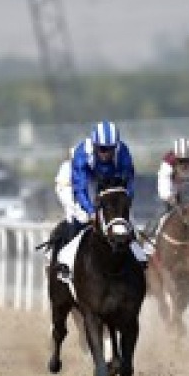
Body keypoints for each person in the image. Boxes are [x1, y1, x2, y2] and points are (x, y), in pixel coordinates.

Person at [50, 120, 146, 282]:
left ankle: (139, 257)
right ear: (95, 146)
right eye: (102, 149)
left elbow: (128, 184)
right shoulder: (83, 154)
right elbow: (80, 188)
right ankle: (65, 264)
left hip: (107, 180)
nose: (106, 153)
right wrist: (91, 211)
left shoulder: (123, 153)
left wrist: (124, 206)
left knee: (123, 220)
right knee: (80, 217)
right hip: (76, 180)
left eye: (110, 149)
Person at [142, 137, 189, 241]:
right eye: (181, 160)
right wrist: (168, 196)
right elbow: (163, 180)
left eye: (187, 160)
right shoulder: (167, 163)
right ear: (176, 157)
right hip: (173, 190)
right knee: (163, 209)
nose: (184, 163)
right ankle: (149, 231)